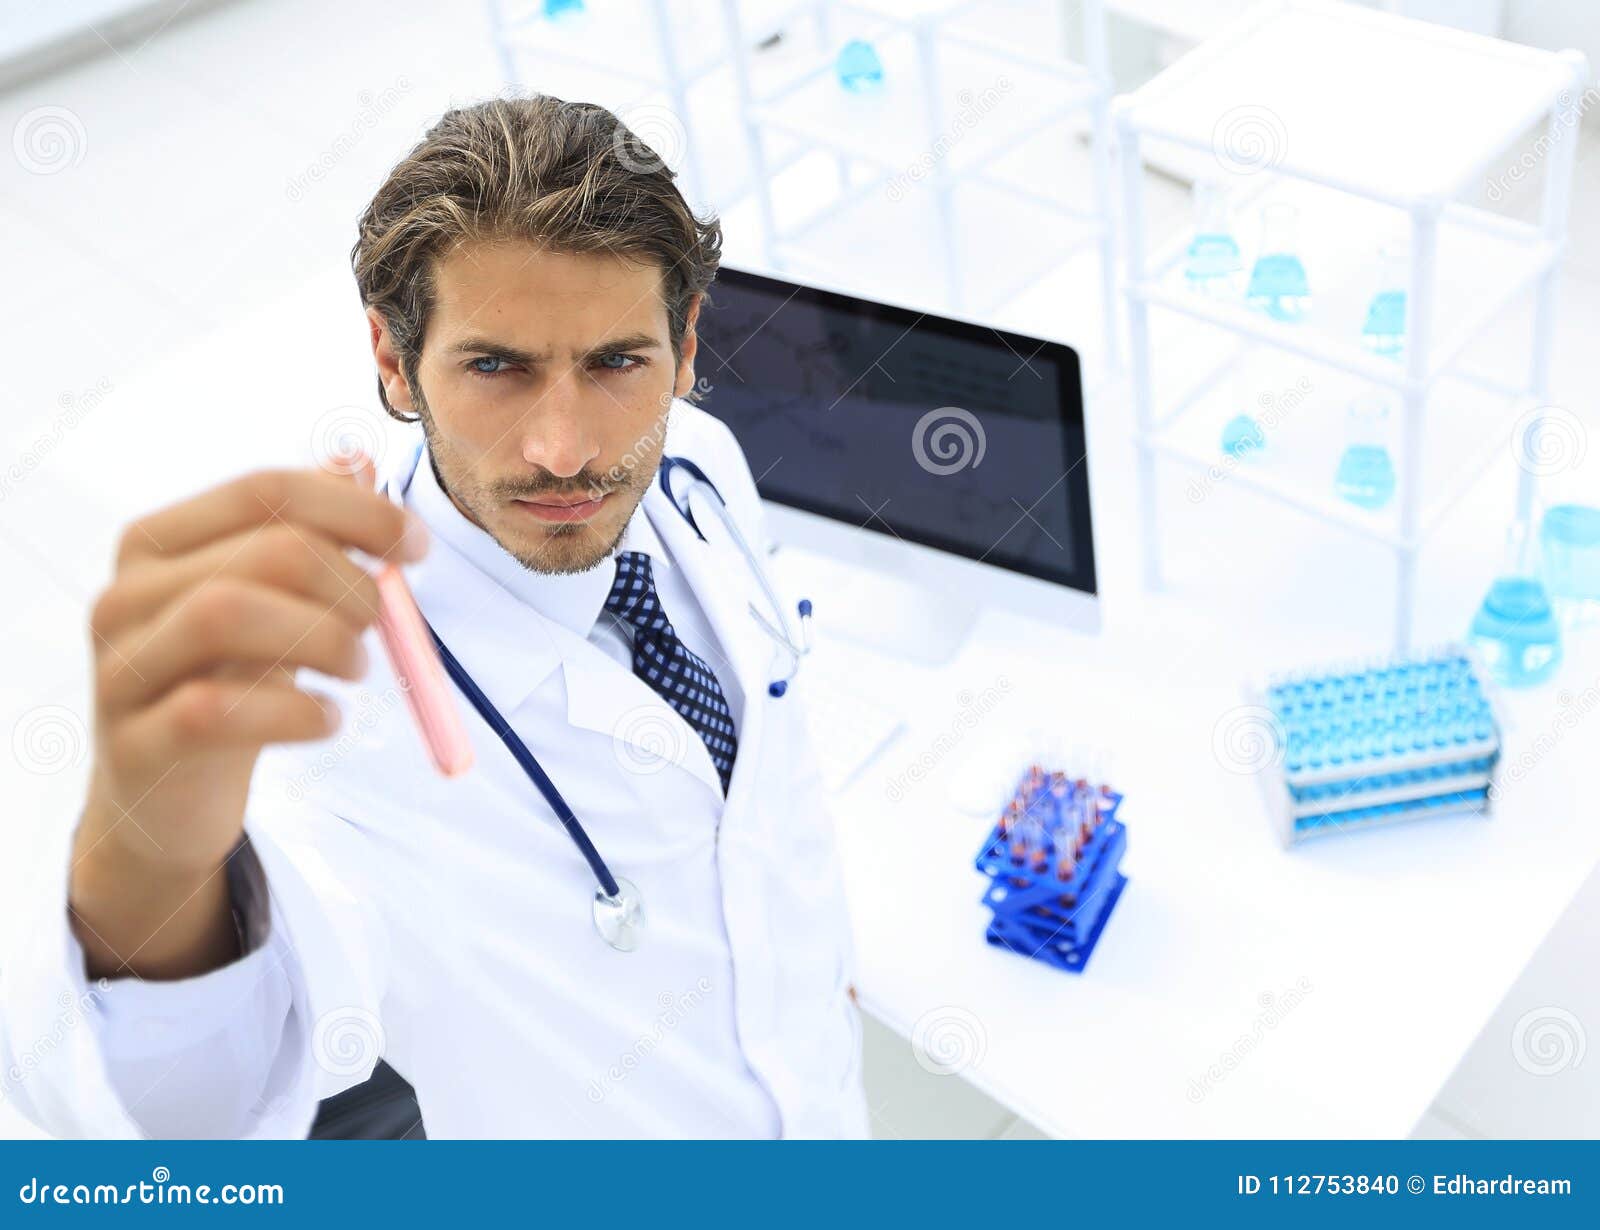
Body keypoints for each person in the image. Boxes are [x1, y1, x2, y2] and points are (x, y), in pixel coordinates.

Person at [0, 95, 867, 1139]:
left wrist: (811, 970)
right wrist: (144, 845)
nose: (565, 449)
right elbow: (181, 1106)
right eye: (495, 367)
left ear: (684, 348)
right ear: (391, 359)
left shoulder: (701, 468)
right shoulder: (332, 706)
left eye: (615, 363)